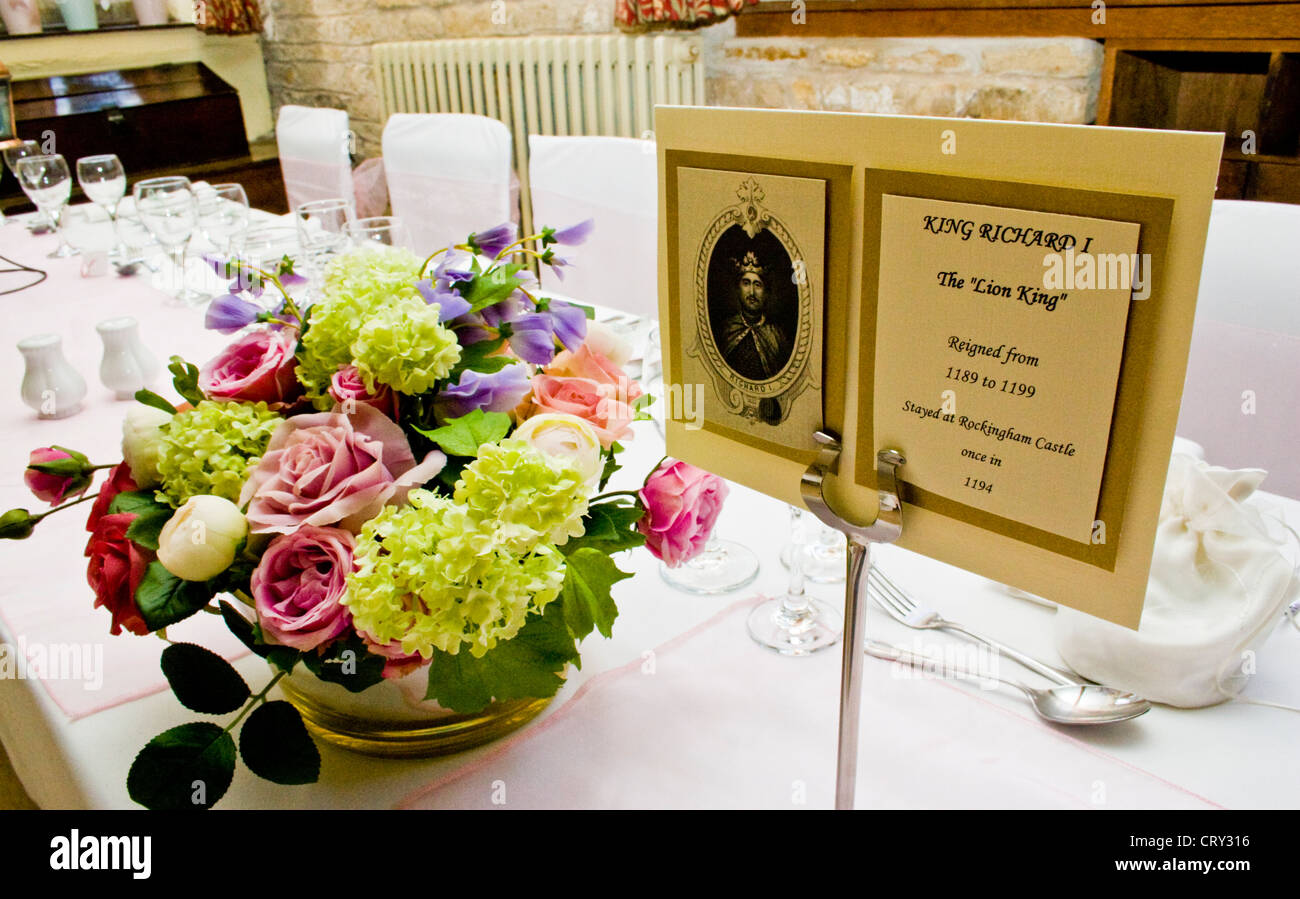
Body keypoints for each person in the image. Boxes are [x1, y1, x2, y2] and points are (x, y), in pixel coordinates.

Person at [718, 251, 792, 381]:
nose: (751, 292)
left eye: (757, 285)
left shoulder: (777, 337)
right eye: (746, 283)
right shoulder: (725, 330)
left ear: (767, 292)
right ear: (738, 288)